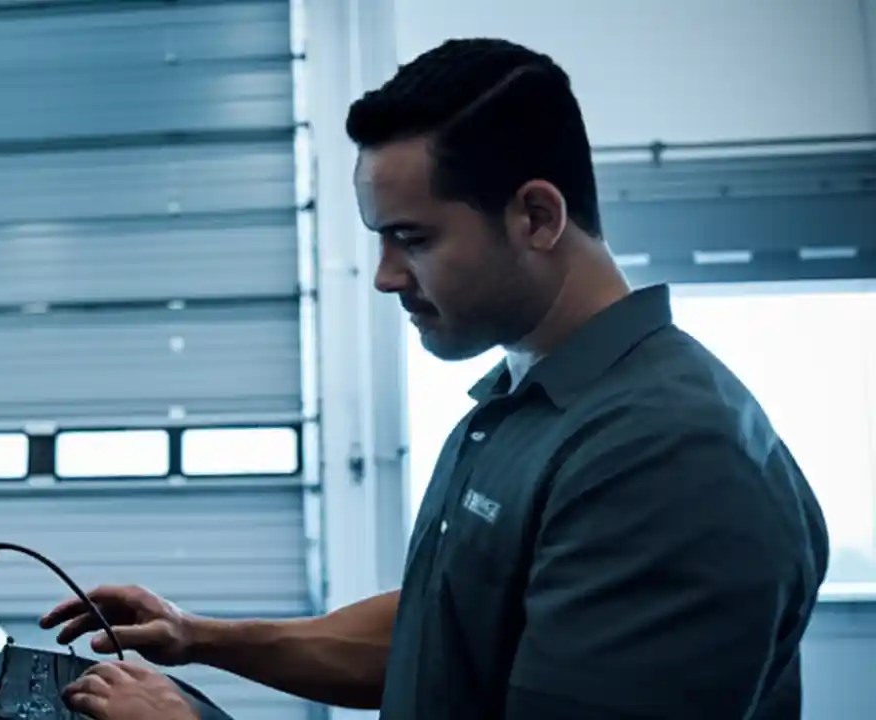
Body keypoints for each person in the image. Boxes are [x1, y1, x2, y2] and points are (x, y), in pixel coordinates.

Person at [48, 37, 830, 720]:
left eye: (411, 239)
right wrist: (201, 638)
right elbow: (442, 636)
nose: (387, 277)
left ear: (535, 217)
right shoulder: (527, 401)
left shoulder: (666, 457)